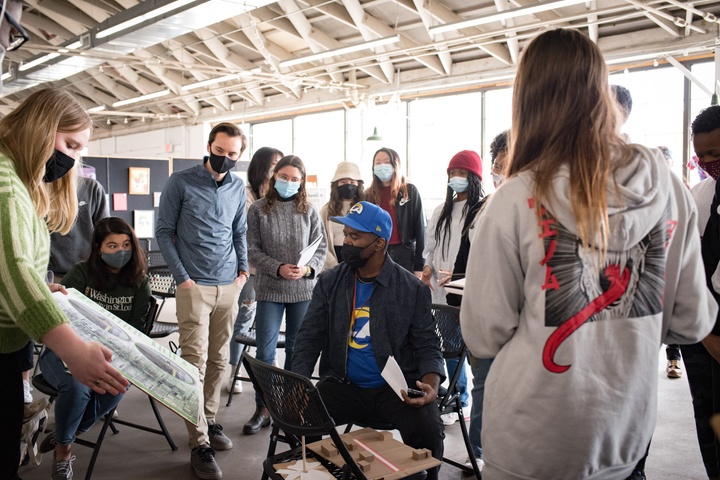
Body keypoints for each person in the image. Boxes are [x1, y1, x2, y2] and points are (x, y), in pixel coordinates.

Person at [460, 28, 716, 480]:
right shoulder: (669, 189)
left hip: (530, 438)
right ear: (601, 91)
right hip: (624, 432)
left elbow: (483, 333)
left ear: (526, 101)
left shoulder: (516, 197)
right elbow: (690, 322)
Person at [0, 86, 128, 480]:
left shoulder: (20, 181)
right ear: (41, 127)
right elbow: (13, 268)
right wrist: (72, 348)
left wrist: (43, 286)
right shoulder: (5, 182)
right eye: (69, 143)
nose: (71, 158)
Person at [292, 201, 445, 480]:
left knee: (429, 429)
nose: (346, 242)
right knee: (298, 418)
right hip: (343, 384)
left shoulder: (410, 289)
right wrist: (299, 381)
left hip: (394, 390)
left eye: (355, 237)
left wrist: (431, 385)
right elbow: (309, 336)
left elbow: (427, 344)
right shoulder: (330, 281)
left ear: (379, 243)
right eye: (346, 235)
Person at [156, 122, 249, 480]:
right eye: (220, 151)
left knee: (219, 359)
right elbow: (164, 232)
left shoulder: (238, 187)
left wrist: (243, 273)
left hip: (230, 285)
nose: (225, 158)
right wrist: (184, 278)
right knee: (193, 363)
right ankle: (198, 443)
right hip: (194, 287)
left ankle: (209, 420)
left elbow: (239, 230)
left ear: (239, 156)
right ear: (209, 146)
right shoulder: (180, 182)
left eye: (232, 154)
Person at [38, 217, 151, 477]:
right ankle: (64, 450)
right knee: (78, 386)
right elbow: (64, 318)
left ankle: (66, 433)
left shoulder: (139, 281)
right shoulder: (81, 272)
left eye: (126, 245)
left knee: (117, 385)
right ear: (98, 247)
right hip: (65, 350)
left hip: (113, 356)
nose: (120, 251)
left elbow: (135, 332)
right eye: (112, 246)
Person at [243, 154, 327, 435]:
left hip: (302, 291)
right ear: (274, 176)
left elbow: (321, 249)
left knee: (296, 350)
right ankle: (264, 407)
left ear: (301, 183)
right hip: (269, 289)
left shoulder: (310, 212)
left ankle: (291, 407)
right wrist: (277, 268)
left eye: (295, 179)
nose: (289, 183)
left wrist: (307, 271)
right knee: (265, 352)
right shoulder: (257, 210)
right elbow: (252, 250)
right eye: (284, 177)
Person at [446, 131, 508, 473]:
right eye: (497, 162)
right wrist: (457, 298)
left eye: (505, 162)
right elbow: (463, 258)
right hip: (479, 313)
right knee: (483, 381)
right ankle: (479, 451)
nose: (500, 169)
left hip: (519, 319)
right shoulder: (483, 207)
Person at [421, 150, 484, 426]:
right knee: (448, 344)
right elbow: (431, 249)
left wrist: (459, 274)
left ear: (473, 178)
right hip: (441, 291)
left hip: (468, 290)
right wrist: (427, 268)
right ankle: (458, 398)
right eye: (452, 173)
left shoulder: (481, 210)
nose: (456, 178)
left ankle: (472, 399)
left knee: (472, 348)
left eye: (462, 173)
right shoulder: (440, 211)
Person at [227, 146, 283, 395]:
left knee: (269, 323)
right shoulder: (246, 194)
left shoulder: (282, 196)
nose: (277, 170)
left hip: (275, 272)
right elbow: (246, 234)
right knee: (243, 321)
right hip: (251, 270)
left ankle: (270, 367)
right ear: (262, 167)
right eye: (274, 165)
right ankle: (234, 372)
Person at [684, 105, 720, 480]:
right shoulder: (699, 197)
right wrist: (707, 336)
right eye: (703, 155)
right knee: (707, 417)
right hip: (702, 331)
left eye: (717, 153)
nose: (710, 162)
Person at [365, 147, 426, 277]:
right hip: (378, 251)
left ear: (395, 165)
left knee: (405, 294)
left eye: (387, 162)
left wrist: (419, 265)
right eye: (378, 163)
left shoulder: (410, 192)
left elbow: (421, 230)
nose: (382, 166)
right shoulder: (369, 195)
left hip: (405, 253)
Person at [320, 161, 365, 271]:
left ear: (358, 184)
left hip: (359, 256)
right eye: (343, 182)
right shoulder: (326, 210)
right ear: (336, 185)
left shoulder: (365, 208)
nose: (348, 185)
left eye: (352, 182)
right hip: (333, 257)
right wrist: (332, 264)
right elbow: (321, 240)